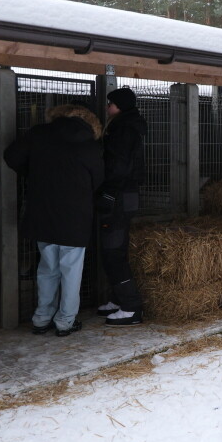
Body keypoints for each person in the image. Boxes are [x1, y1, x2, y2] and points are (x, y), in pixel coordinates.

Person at [4, 104, 103, 337]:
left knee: (47, 268)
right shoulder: (90, 144)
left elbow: (11, 156)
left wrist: (34, 172)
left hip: (43, 212)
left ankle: (41, 318)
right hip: (75, 218)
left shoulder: (39, 134)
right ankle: (65, 321)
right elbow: (99, 180)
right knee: (71, 270)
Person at [96, 86, 148, 326]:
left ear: (121, 106)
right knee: (115, 249)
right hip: (125, 195)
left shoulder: (123, 129)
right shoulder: (128, 126)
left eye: (111, 103)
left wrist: (109, 191)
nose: (108, 107)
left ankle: (131, 307)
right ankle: (119, 300)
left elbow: (118, 166)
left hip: (119, 195)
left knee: (113, 251)